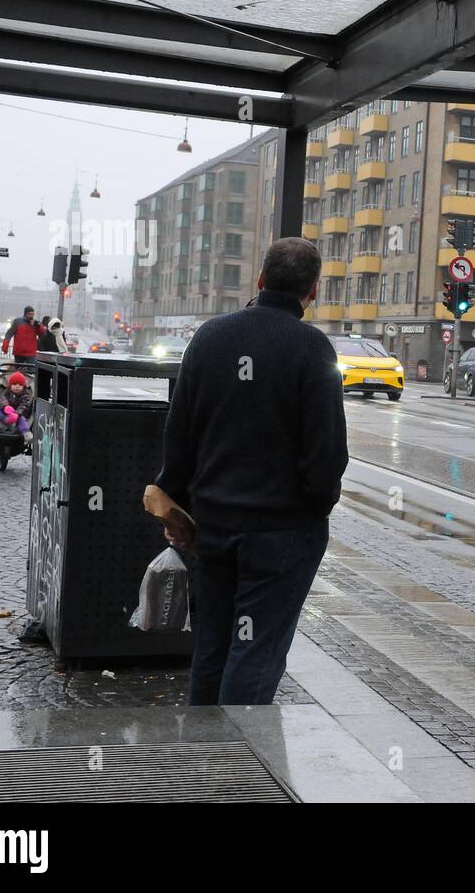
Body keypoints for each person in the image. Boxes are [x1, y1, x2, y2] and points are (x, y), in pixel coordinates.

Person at [155, 237, 348, 706]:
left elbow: (179, 431)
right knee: (257, 651)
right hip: (282, 531)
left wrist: (174, 503)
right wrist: (313, 507)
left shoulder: (210, 337)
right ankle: (234, 766)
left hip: (214, 525)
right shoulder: (312, 349)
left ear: (260, 280)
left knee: (214, 644)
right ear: (314, 290)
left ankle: (201, 753)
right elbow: (327, 452)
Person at [0, 371, 34, 442]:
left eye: (20, 385)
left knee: (22, 420)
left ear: (23, 386)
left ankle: (26, 433)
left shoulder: (25, 395)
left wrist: (17, 413)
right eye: (14, 384)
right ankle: (6, 420)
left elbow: (24, 405)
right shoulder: (7, 391)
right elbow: (3, 399)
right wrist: (5, 406)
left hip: (19, 414)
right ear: (10, 385)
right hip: (6, 413)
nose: (17, 386)